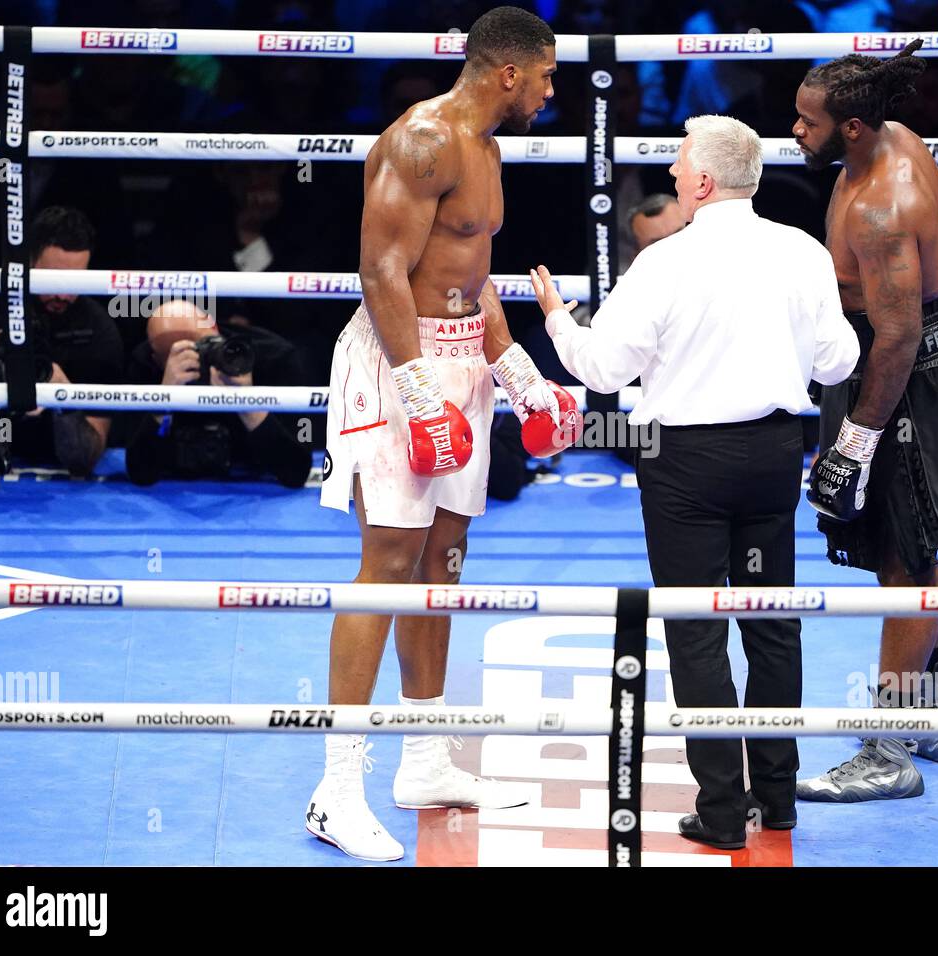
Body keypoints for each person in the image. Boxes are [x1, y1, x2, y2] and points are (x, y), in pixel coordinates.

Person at [529, 114, 860, 850]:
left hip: (686, 467)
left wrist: (557, 321)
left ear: (705, 181)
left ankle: (721, 812)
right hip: (774, 454)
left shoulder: (665, 264)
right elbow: (839, 363)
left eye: (680, 166)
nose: (673, 177)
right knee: (772, 624)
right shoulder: (801, 252)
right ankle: (776, 801)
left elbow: (605, 371)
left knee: (698, 633)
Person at [311, 6, 570, 862]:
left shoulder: (488, 150)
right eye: (545, 75)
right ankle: (335, 789)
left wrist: (517, 372)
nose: (550, 89)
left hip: (462, 364)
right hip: (398, 365)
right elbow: (381, 268)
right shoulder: (423, 139)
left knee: (442, 560)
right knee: (387, 561)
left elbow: (469, 277)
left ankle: (424, 759)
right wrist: (417, 386)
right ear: (508, 73)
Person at [791, 41, 938, 803]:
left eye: (807, 122)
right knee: (907, 550)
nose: (794, 132)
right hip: (899, 359)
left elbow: (900, 336)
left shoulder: (882, 208)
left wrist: (852, 443)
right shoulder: (889, 143)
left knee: (903, 562)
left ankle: (889, 750)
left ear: (850, 126)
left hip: (901, 376)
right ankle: (928, 709)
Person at [0, 206, 121, 477]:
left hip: (54, 465)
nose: (63, 294)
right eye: (53, 279)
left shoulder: (99, 332)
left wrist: (62, 400)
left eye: (75, 281)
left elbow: (85, 459)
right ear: (29, 263)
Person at [124, 300, 312, 489]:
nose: (197, 357)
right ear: (157, 359)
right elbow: (141, 473)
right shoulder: (144, 365)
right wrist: (165, 400)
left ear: (214, 327)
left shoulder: (273, 357)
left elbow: (297, 471)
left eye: (203, 344)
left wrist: (248, 406)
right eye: (180, 352)